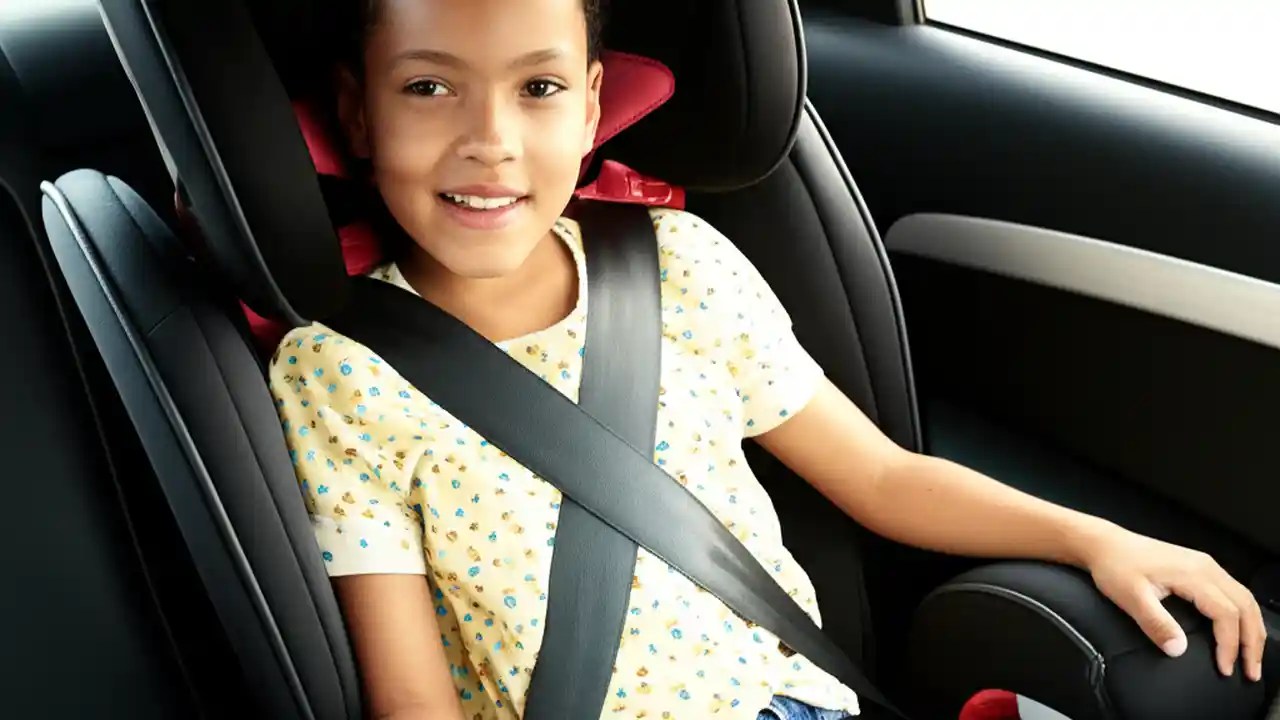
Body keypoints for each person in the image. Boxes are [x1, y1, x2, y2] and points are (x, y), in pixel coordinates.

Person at [267, 1, 1266, 718]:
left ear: (588, 106)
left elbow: (880, 476)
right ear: (357, 113)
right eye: (430, 86)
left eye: (536, 87)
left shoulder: (681, 264)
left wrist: (1093, 539)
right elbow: (411, 700)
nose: (489, 139)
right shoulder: (340, 372)